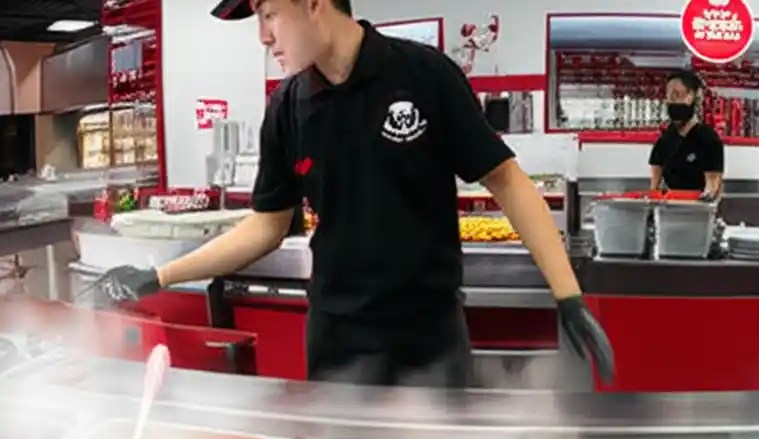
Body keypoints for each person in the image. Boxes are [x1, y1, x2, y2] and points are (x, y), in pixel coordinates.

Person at [93, 0, 614, 389]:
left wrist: (567, 296)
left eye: (270, 14)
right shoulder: (288, 107)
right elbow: (268, 225)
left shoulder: (425, 76)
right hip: (338, 342)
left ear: (316, 5)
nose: (262, 36)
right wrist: (159, 274)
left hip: (428, 340)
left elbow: (508, 183)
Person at [647, 70, 725, 199]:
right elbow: (654, 187)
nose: (671, 101)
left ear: (693, 96)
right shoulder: (664, 140)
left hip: (698, 213)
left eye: (677, 95)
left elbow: (712, 188)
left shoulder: (709, 140)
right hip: (667, 212)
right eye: (669, 96)